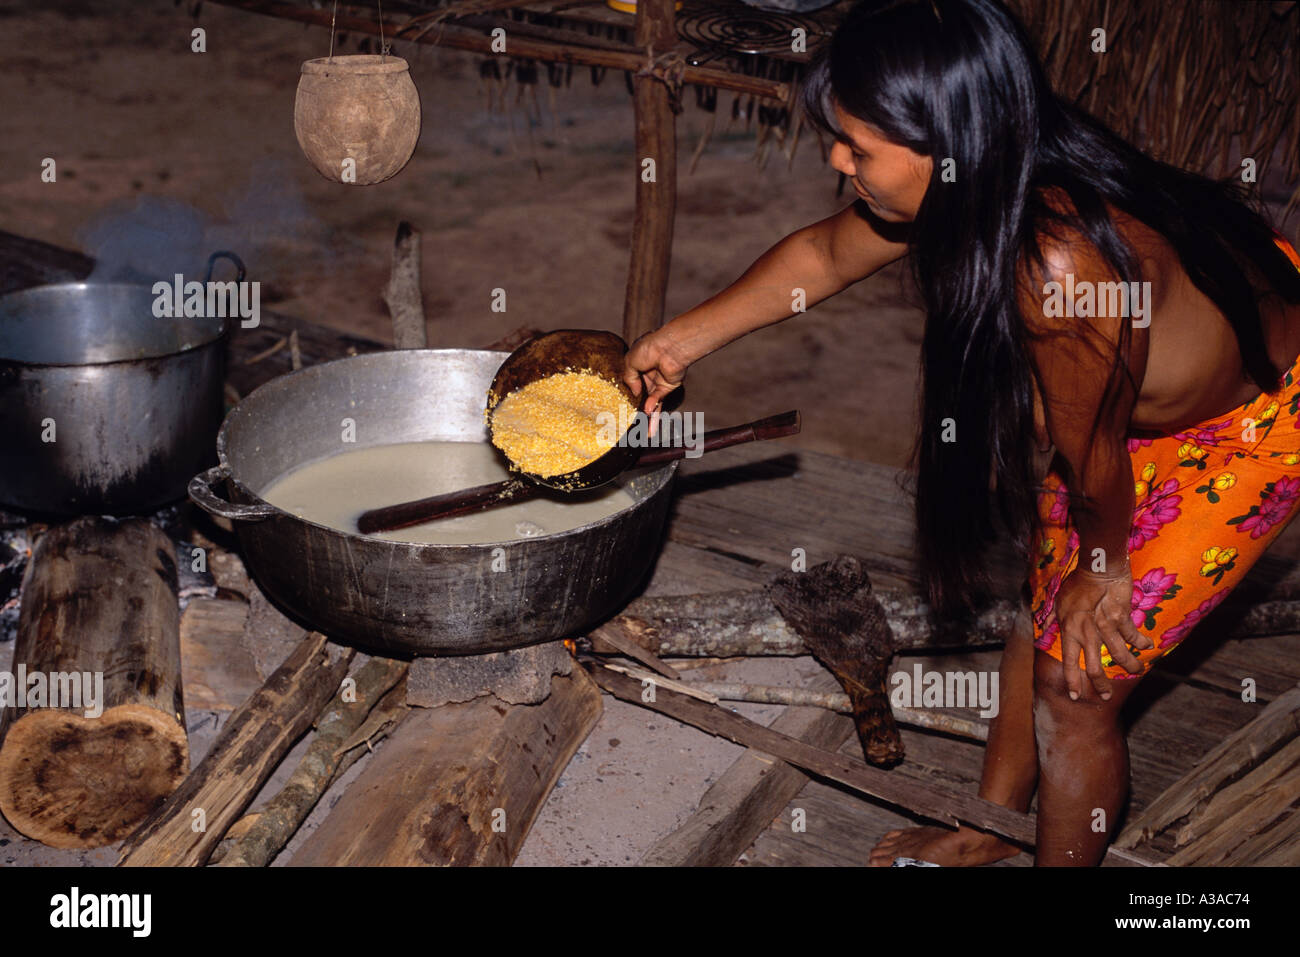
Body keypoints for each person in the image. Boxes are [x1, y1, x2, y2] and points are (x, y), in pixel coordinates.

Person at [620, 0, 1300, 866]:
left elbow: (1095, 457)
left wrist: (1105, 565)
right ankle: (990, 830)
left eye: (857, 147)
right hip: (1132, 401)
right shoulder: (988, 169)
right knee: (1040, 606)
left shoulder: (1059, 261)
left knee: (1074, 682)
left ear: (946, 147)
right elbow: (825, 259)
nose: (836, 159)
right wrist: (678, 342)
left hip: (1257, 419)